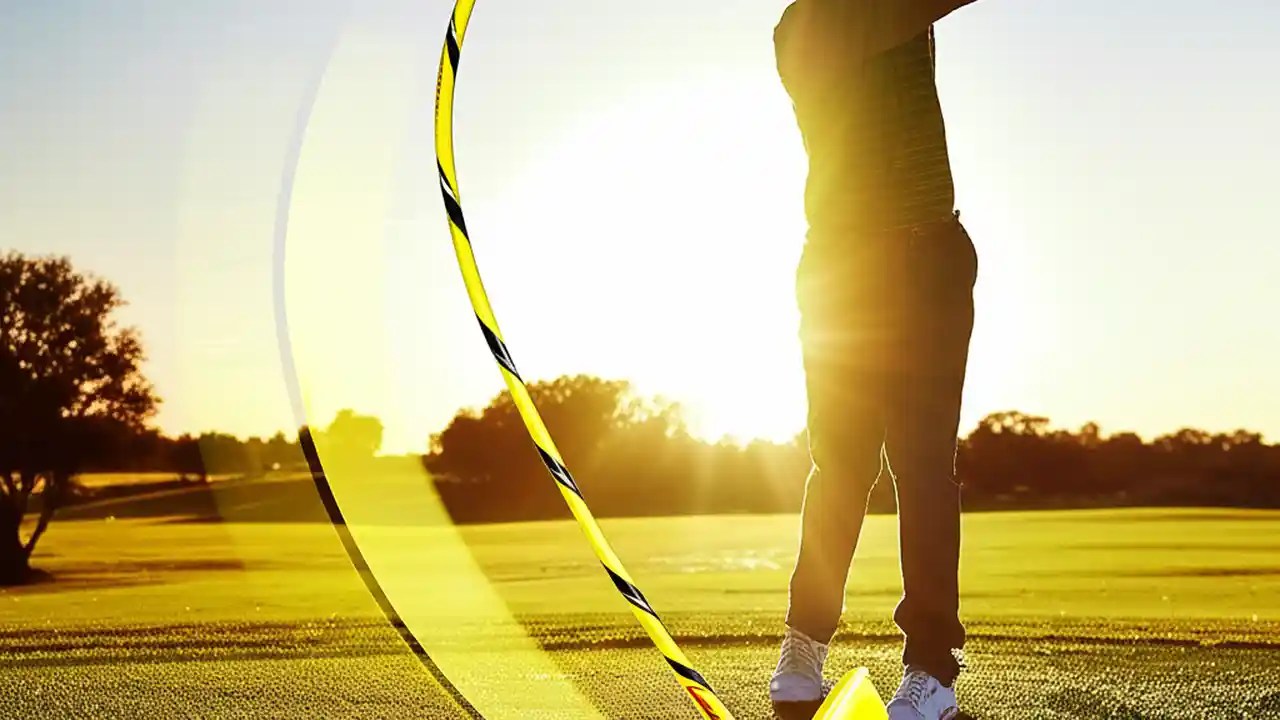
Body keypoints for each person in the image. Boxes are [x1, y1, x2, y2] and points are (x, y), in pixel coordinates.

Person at [767, 1, 983, 719]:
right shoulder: (805, 29)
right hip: (844, 269)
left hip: (929, 258)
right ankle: (805, 639)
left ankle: (932, 673)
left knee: (922, 466)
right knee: (842, 462)